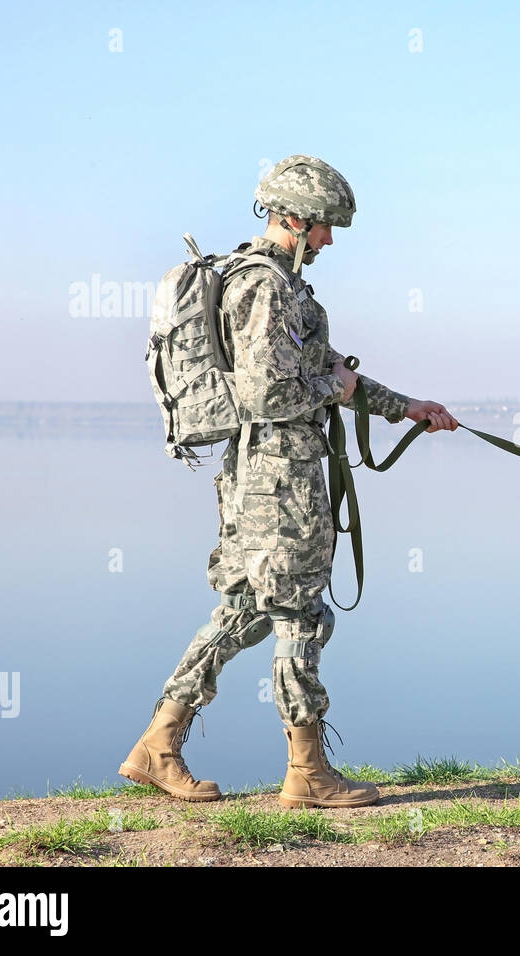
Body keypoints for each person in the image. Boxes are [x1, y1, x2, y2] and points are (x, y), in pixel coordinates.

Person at [120, 155, 458, 808]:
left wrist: (408, 407)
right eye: (326, 228)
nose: (330, 241)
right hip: (282, 479)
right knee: (301, 612)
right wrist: (338, 385)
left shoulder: (274, 283)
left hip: (257, 474)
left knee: (247, 608)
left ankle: (158, 746)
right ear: (295, 219)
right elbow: (274, 391)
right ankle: (307, 773)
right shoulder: (269, 289)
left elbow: (333, 373)